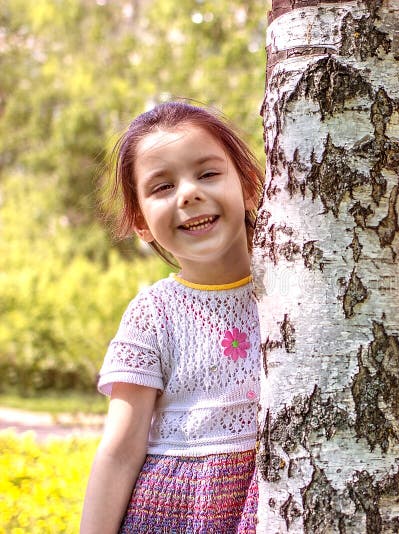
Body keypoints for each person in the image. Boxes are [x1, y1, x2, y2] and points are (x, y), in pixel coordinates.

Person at [81, 101, 264, 533]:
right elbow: (120, 453)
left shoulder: (301, 295)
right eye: (162, 187)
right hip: (169, 515)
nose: (188, 193)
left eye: (207, 173)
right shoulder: (154, 313)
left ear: (249, 186)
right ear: (141, 222)